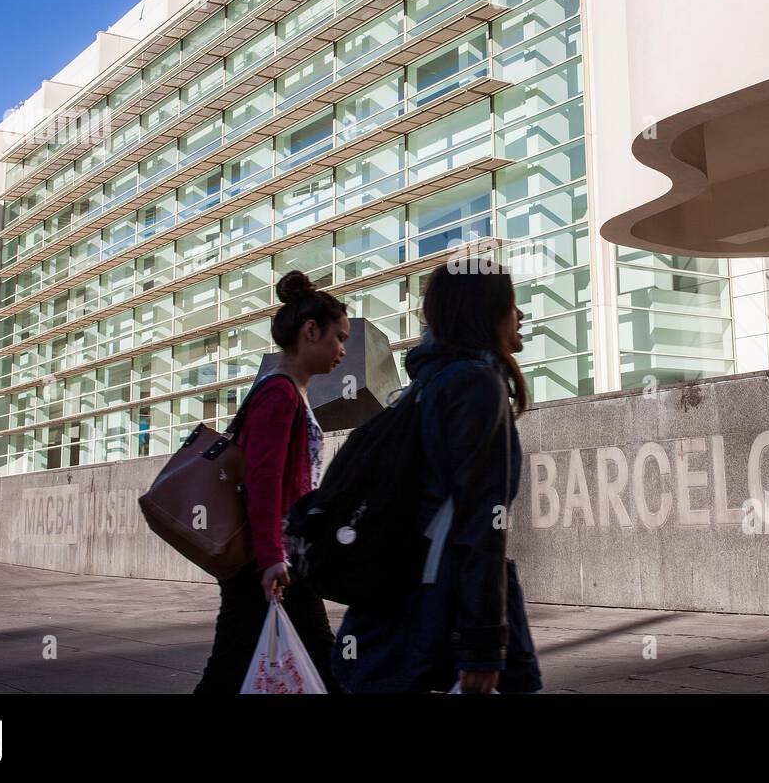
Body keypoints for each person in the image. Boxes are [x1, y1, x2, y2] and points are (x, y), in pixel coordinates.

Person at [332, 259, 542, 694]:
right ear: (483, 312)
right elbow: (480, 523)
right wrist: (482, 647)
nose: (520, 316)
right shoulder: (477, 386)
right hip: (440, 614)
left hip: (399, 606)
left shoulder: (427, 385)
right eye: (512, 304)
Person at [193, 271, 349, 694]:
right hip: (268, 561)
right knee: (315, 659)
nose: (342, 350)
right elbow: (262, 481)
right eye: (339, 337)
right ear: (311, 331)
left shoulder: (286, 391)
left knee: (237, 666)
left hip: (275, 556)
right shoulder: (279, 393)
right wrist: (270, 559)